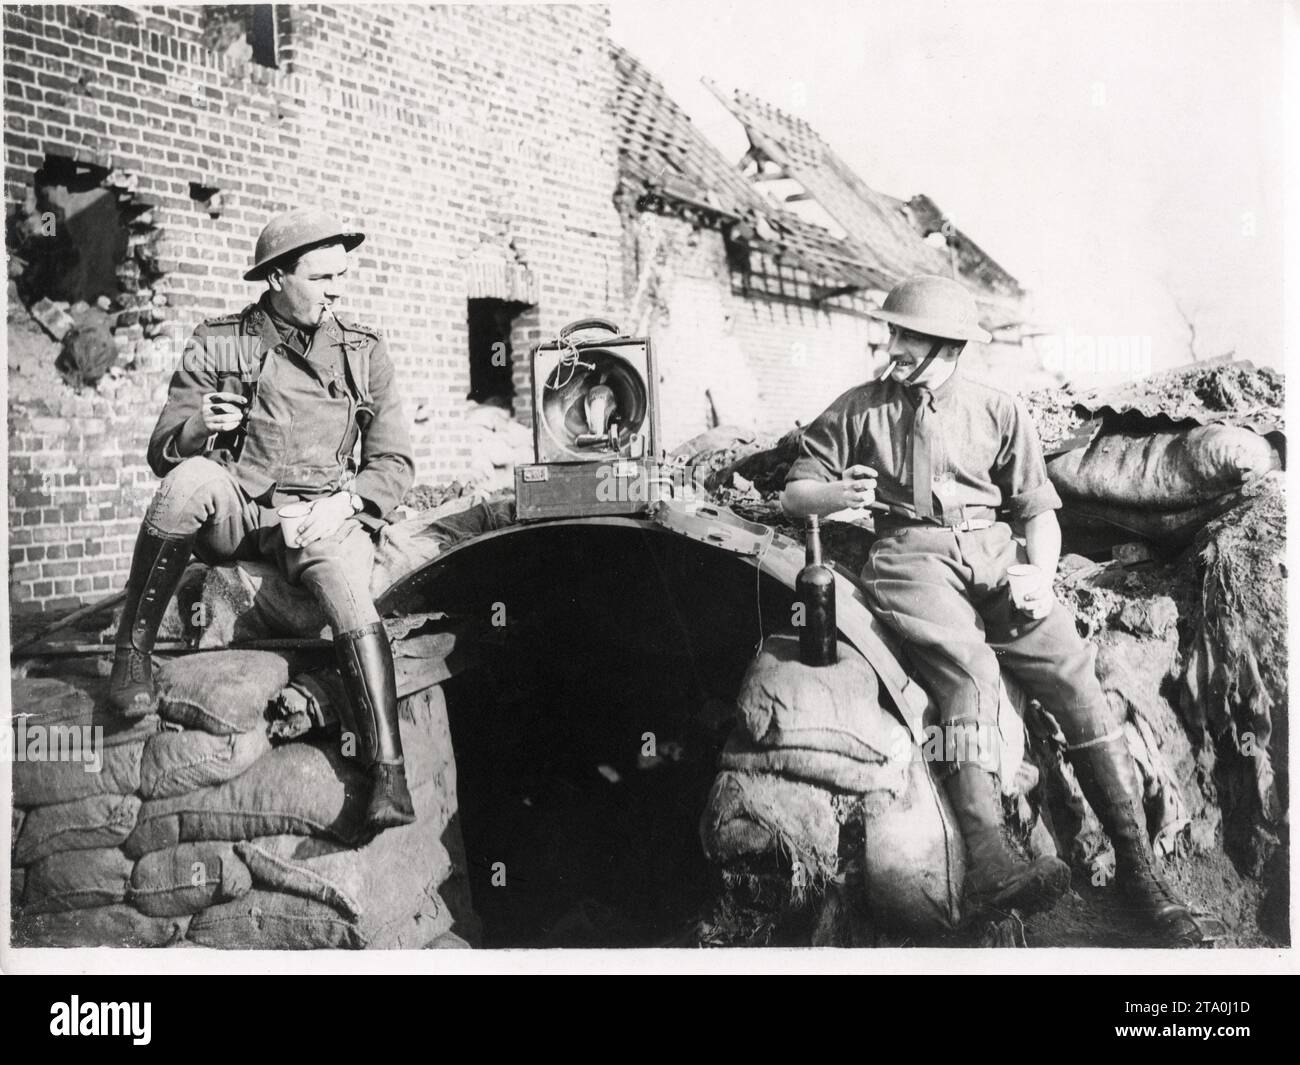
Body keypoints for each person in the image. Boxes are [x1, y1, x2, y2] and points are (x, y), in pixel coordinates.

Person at [781, 274, 1216, 945]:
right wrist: (834, 492)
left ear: (946, 345)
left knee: (1073, 673)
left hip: (995, 550)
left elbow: (1039, 511)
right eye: (892, 331)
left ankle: (1139, 871)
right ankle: (987, 856)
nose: (891, 345)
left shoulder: (998, 409)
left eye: (906, 335)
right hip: (910, 555)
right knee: (968, 670)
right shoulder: (859, 408)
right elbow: (794, 493)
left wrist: (1041, 575)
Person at [108, 207, 417, 832]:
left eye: (342, 278)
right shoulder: (220, 341)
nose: (336, 291)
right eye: (322, 277)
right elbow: (162, 448)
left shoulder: (363, 351)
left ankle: (387, 769)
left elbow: (393, 461)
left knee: (351, 598)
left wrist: (346, 506)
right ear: (276, 278)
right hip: (242, 512)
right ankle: (131, 656)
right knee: (188, 482)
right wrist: (203, 426)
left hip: (321, 516)